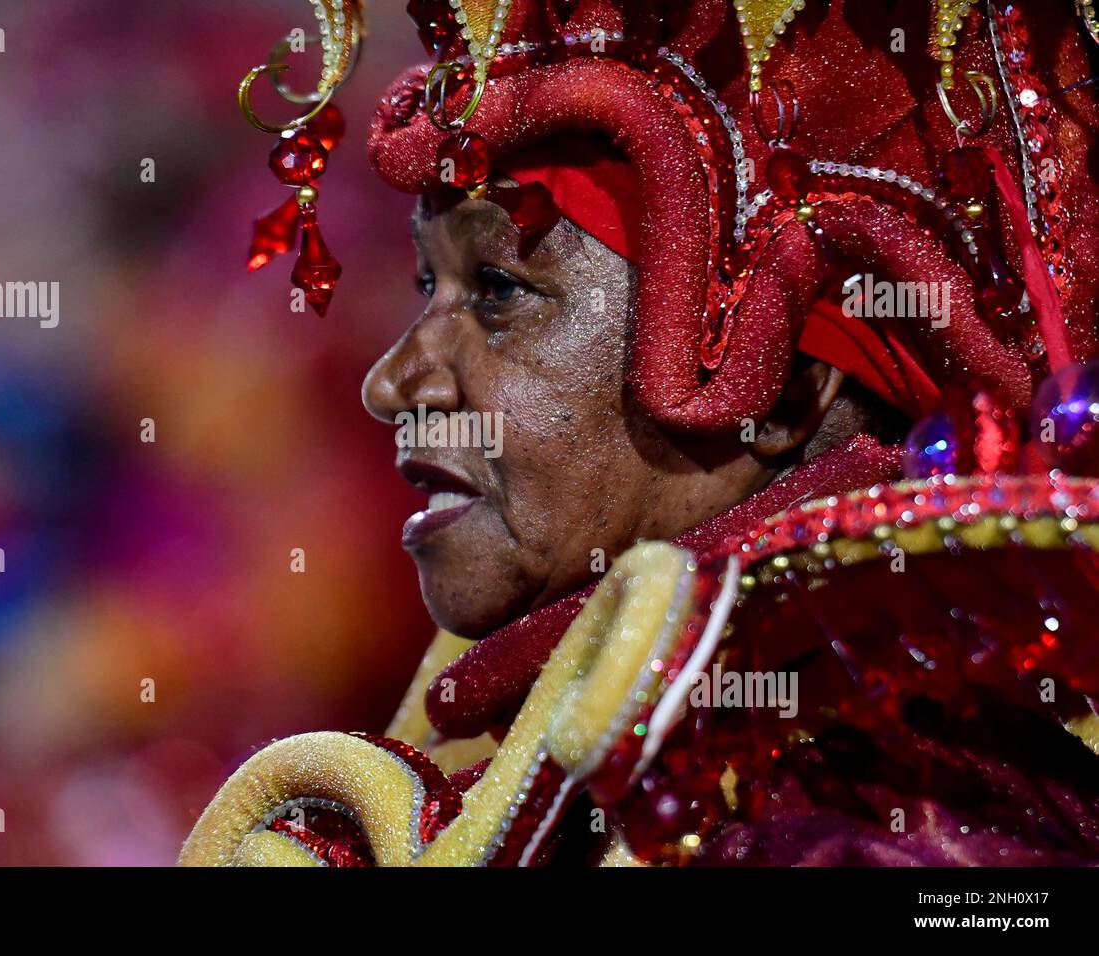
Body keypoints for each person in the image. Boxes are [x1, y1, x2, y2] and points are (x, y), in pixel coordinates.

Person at [181, 0, 1099, 866]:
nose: (390, 385)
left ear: (779, 395)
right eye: (428, 288)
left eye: (497, 290)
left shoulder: (881, 833)